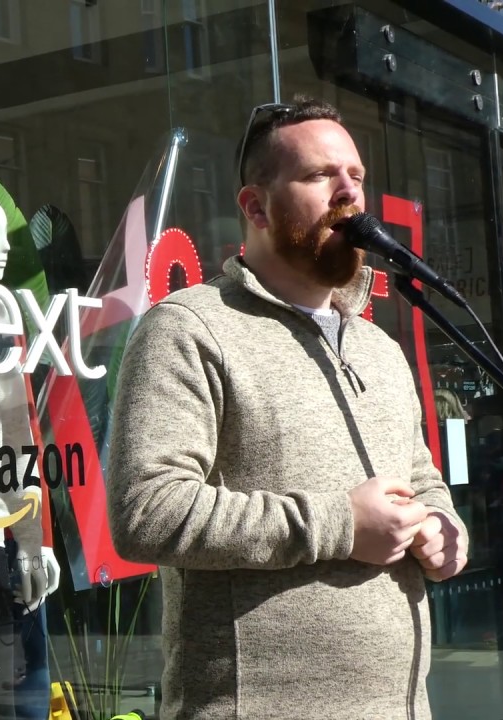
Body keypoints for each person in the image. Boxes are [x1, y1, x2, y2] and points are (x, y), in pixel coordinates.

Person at [106, 96, 468, 719]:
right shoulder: (189, 329)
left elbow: (421, 479)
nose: (347, 193)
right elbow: (147, 512)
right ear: (255, 206)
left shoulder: (379, 346)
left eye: (355, 177)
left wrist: (442, 529)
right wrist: (338, 525)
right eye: (319, 176)